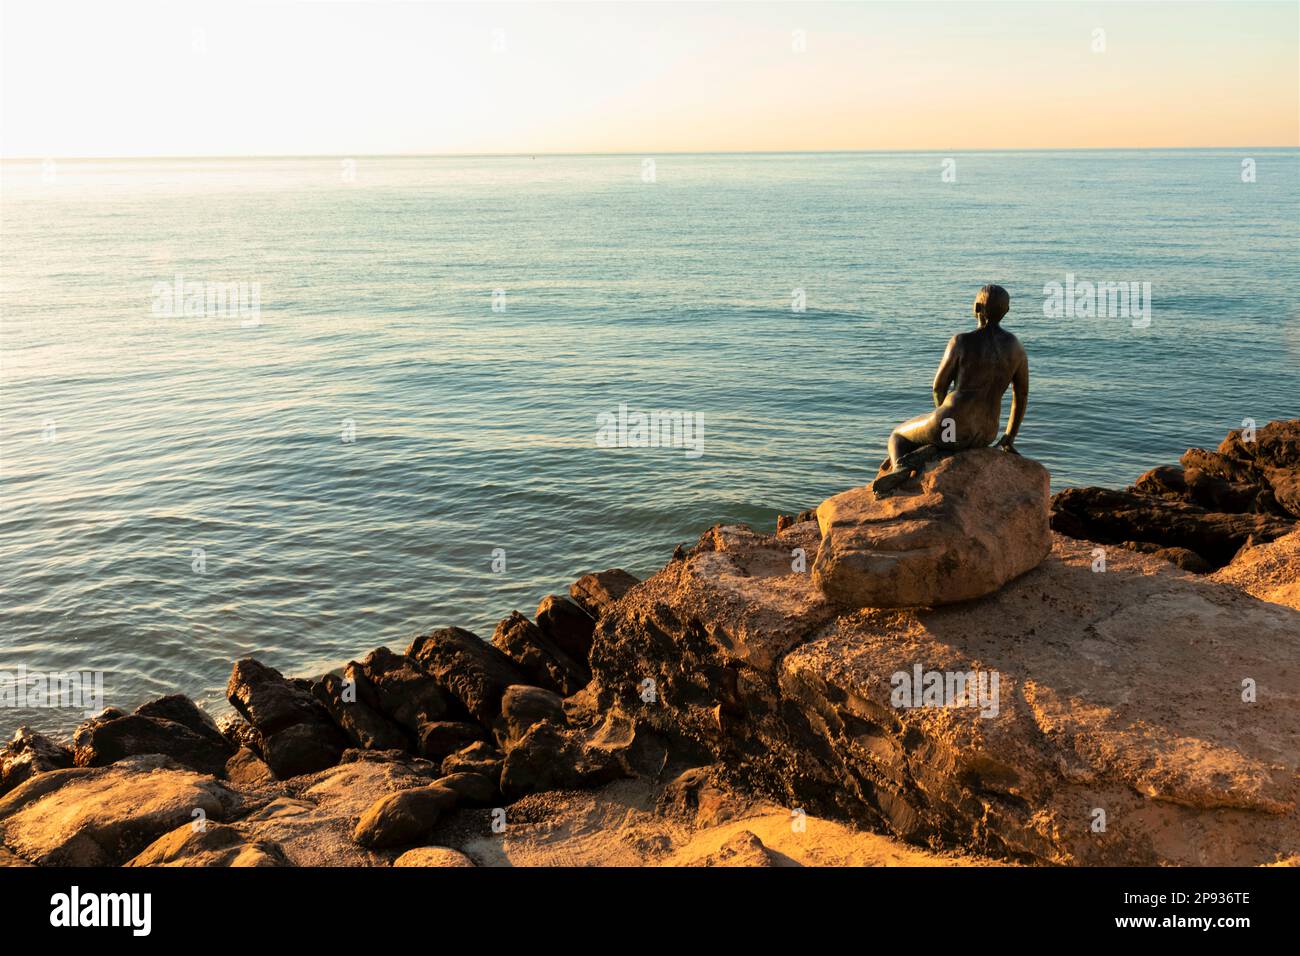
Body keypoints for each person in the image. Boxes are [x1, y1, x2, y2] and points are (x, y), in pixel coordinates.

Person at [872, 284, 1028, 495]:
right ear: (1006, 312)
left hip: (950, 425)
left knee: (898, 436)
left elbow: (938, 387)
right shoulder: (1016, 347)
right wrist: (1009, 437)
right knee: (944, 436)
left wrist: (944, 418)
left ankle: (902, 467)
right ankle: (941, 447)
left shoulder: (961, 341)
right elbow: (1022, 395)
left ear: (976, 307)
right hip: (986, 432)